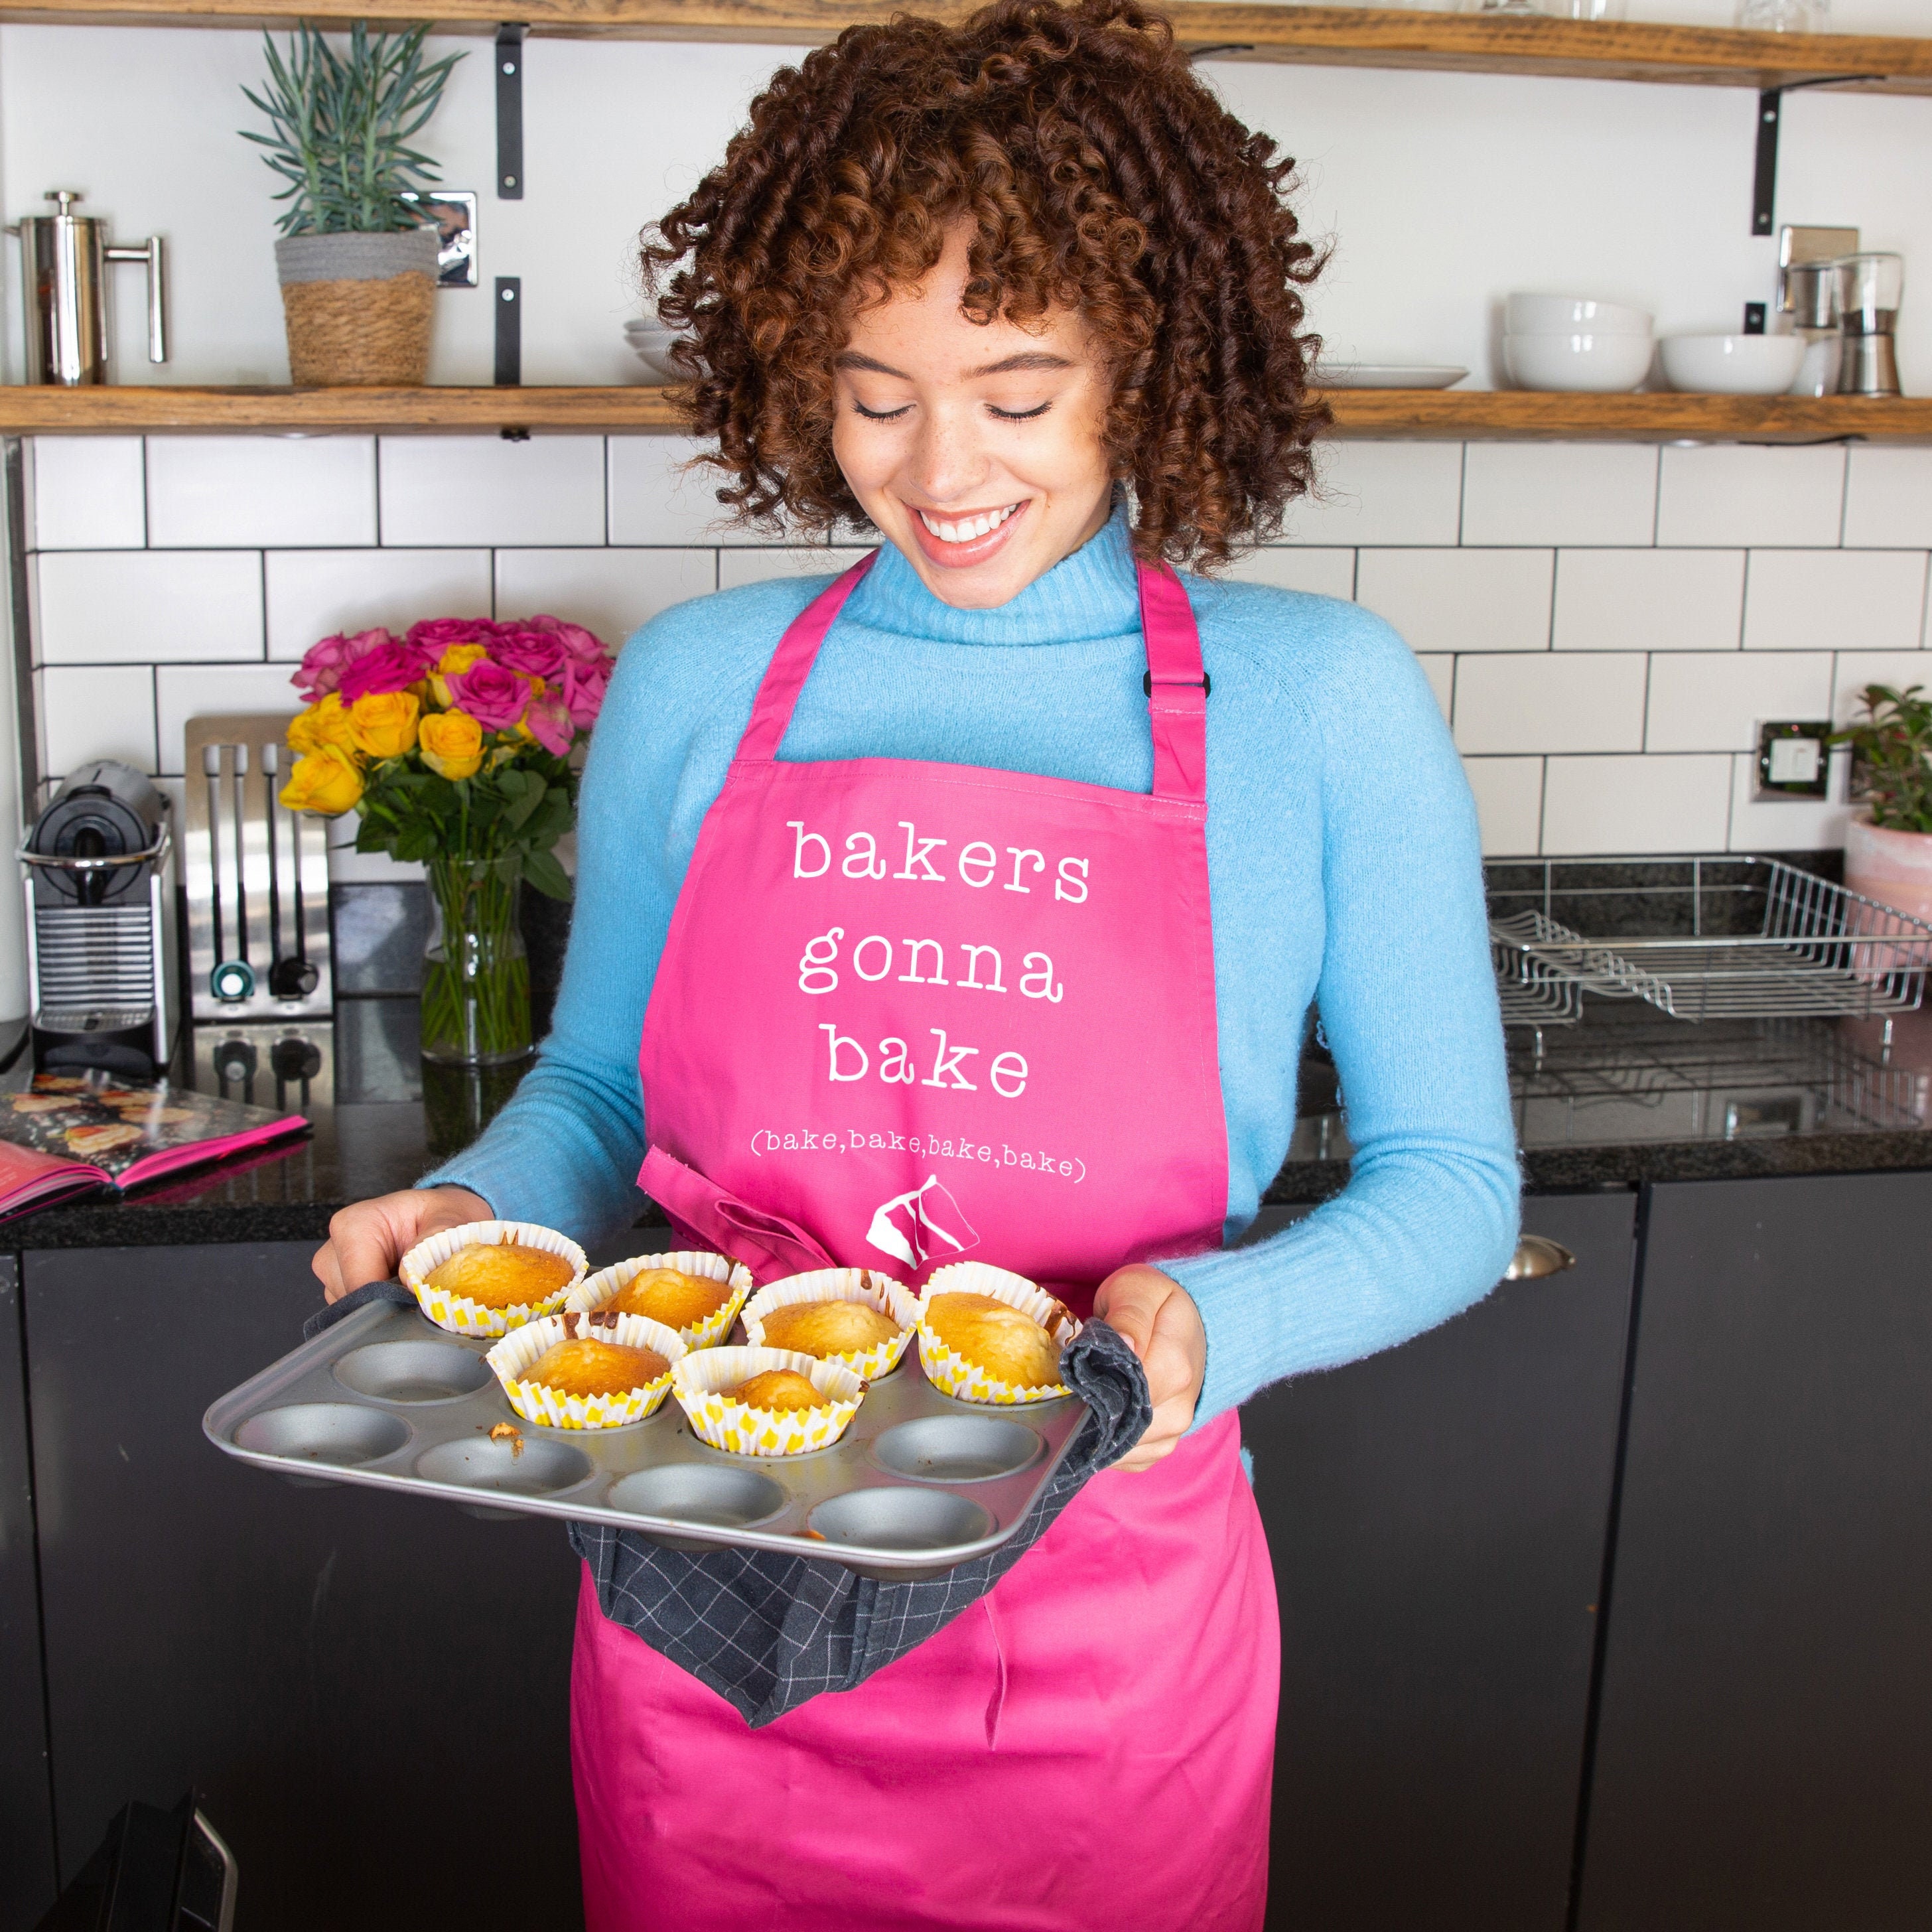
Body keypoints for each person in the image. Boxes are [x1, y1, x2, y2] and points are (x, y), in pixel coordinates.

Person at [311, 1, 1519, 1923]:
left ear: (1152, 359)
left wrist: (1218, 1331)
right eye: (876, 395)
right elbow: (599, 1090)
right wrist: (468, 1209)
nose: (939, 468)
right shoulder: (704, 690)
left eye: (1018, 393)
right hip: (706, 1594)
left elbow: (1452, 1188)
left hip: (1105, 1625)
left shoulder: (1320, 702)